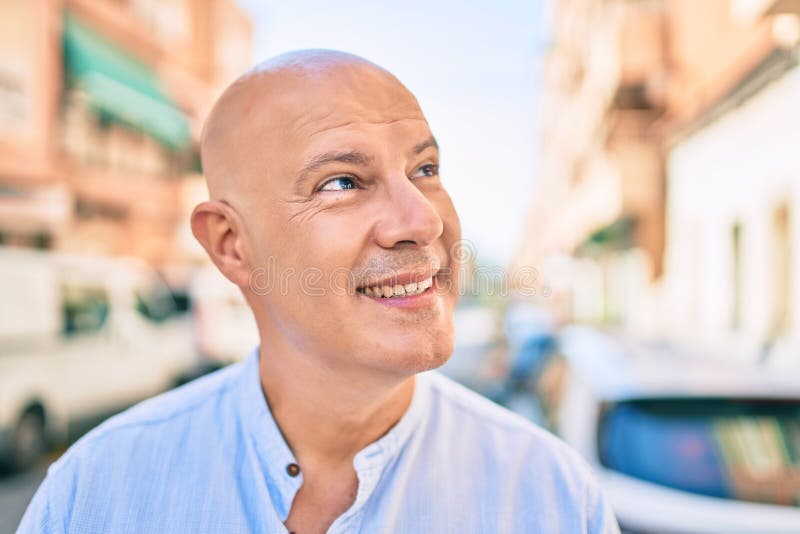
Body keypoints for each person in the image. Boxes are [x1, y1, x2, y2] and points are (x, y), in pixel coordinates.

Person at [19, 50, 619, 534]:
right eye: (342, 182)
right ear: (231, 244)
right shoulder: (96, 496)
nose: (422, 221)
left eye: (425, 170)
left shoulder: (552, 498)